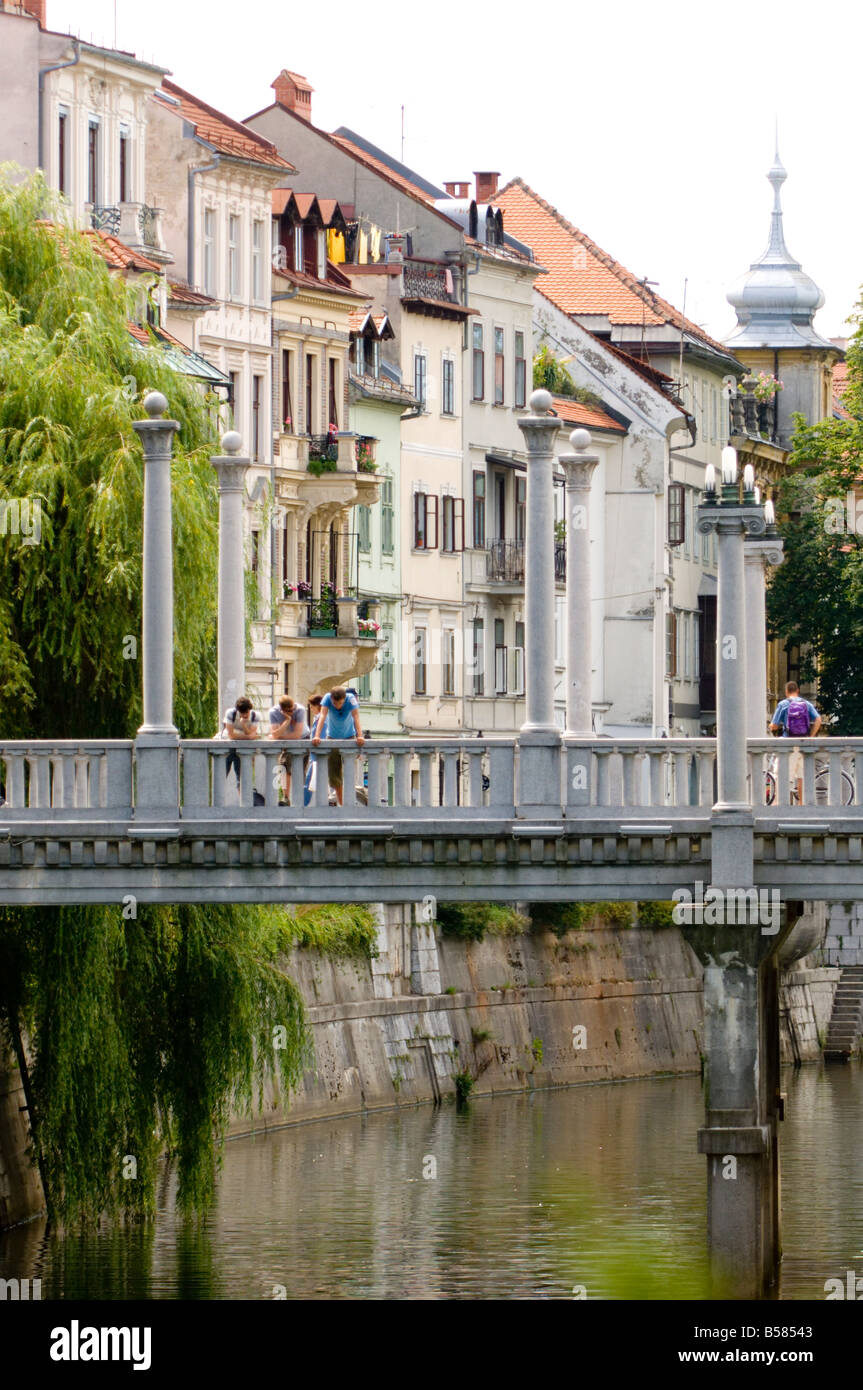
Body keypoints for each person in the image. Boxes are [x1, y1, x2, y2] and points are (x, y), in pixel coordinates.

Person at [769, 681, 822, 803]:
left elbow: (775, 725)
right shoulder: (806, 704)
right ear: (797, 690)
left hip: (789, 744)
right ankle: (802, 805)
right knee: (801, 777)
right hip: (803, 743)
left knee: (782, 776)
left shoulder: (783, 704)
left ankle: (780, 806)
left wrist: (771, 726)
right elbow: (818, 719)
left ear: (787, 692)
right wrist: (811, 736)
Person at [310, 685, 364, 806]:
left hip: (349, 737)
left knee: (349, 773)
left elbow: (356, 716)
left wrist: (359, 735)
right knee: (334, 777)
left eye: (340, 703)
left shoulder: (350, 699)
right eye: (335, 703)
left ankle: (353, 802)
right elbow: (322, 716)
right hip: (332, 737)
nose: (337, 706)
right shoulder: (327, 698)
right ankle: (342, 805)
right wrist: (317, 736)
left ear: (344, 699)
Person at [268, 695, 308, 801]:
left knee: (299, 769)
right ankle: (286, 797)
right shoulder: (273, 712)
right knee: (283, 767)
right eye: (289, 710)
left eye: (292, 709)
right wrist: (287, 721)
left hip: (303, 739)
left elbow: (297, 735)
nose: (292, 711)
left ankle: (300, 797)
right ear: (282, 710)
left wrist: (278, 736)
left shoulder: (300, 710)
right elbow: (275, 734)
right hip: (286, 742)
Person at [223, 695, 260, 789]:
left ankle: (243, 802)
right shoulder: (231, 713)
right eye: (242, 713)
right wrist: (248, 737)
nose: (244, 715)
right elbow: (231, 735)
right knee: (222, 775)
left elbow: (251, 734)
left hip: (243, 748)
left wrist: (243, 725)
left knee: (242, 779)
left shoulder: (255, 716)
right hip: (228, 747)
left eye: (246, 712)